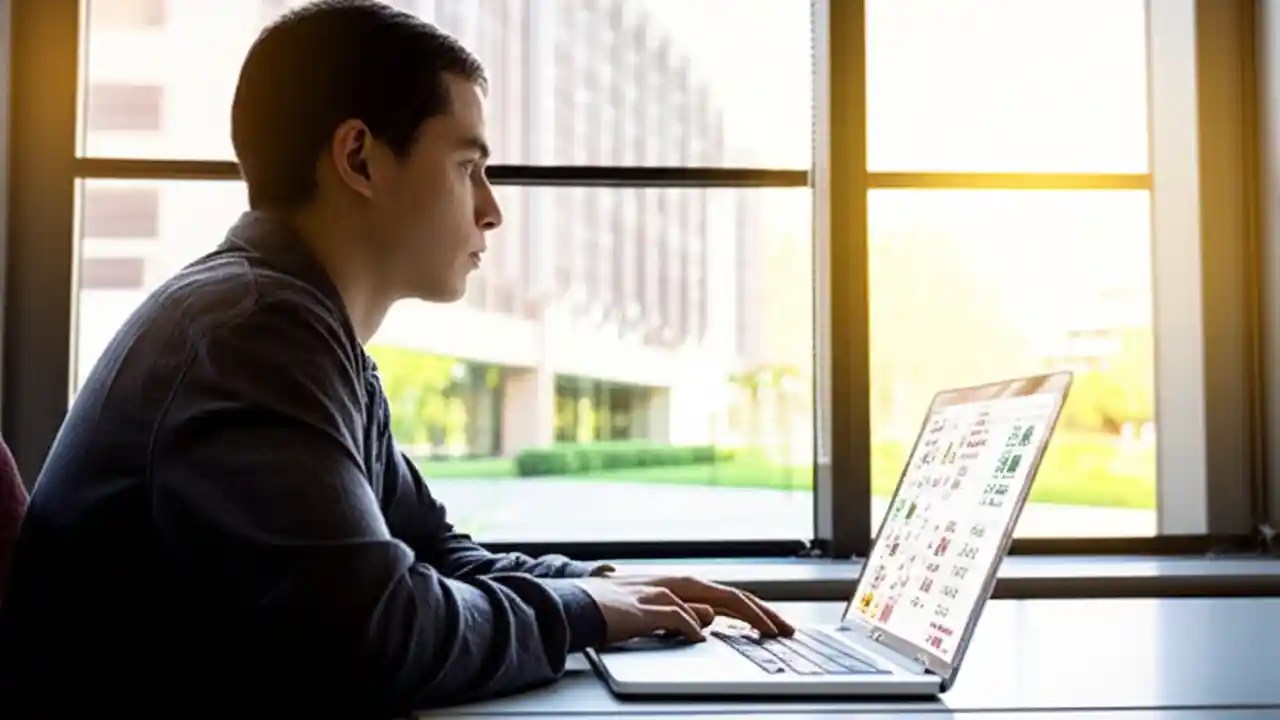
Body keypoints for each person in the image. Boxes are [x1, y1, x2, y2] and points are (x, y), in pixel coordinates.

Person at [0, 1, 793, 717]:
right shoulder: (253, 333)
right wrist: (581, 611)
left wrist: (608, 586)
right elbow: (375, 635)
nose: (492, 208)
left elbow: (436, 553)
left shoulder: (298, 327)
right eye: (466, 166)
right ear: (360, 159)